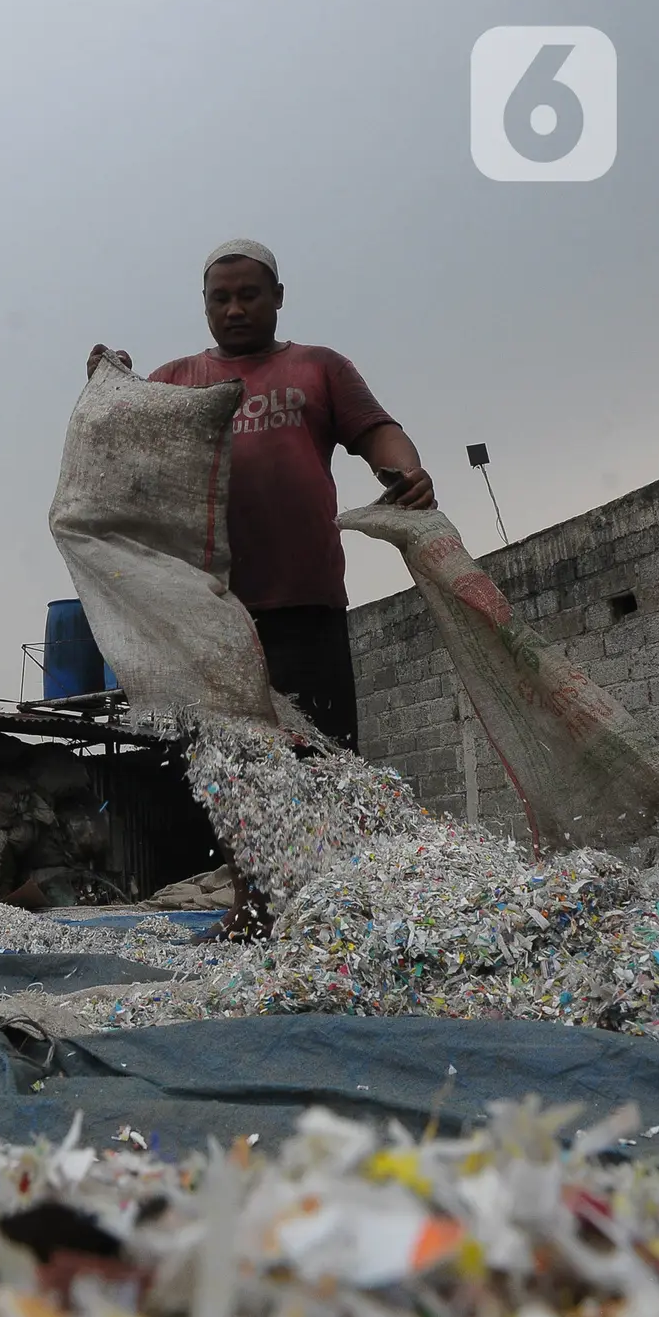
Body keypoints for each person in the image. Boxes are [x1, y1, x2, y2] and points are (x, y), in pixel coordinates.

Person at [86, 238, 436, 940]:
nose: (236, 307)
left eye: (250, 294)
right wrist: (110, 385)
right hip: (213, 613)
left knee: (325, 765)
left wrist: (406, 472)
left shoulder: (318, 368)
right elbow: (123, 446)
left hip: (305, 601)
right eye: (221, 297)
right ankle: (251, 906)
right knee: (237, 768)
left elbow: (379, 433)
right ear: (205, 305)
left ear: (278, 298)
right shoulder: (179, 378)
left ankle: (336, 909)